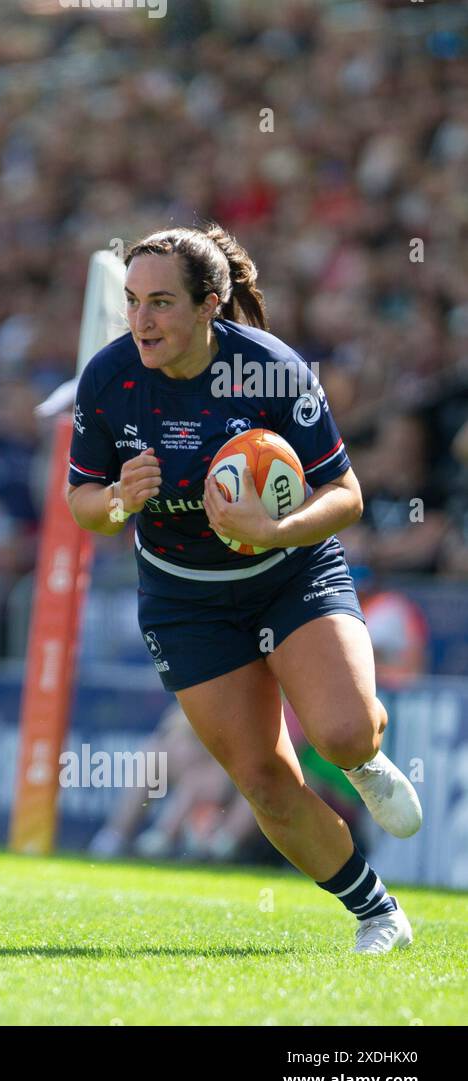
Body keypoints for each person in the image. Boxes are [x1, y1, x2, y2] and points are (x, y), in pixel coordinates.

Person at [67, 223, 422, 955]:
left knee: (346, 730)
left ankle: (361, 760)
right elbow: (84, 503)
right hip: (185, 597)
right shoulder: (108, 380)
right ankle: (378, 912)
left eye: (161, 302)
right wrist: (118, 503)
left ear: (210, 304)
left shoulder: (272, 369)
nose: (141, 320)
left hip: (291, 573)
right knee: (262, 778)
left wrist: (273, 527)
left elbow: (347, 494)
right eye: (133, 302)